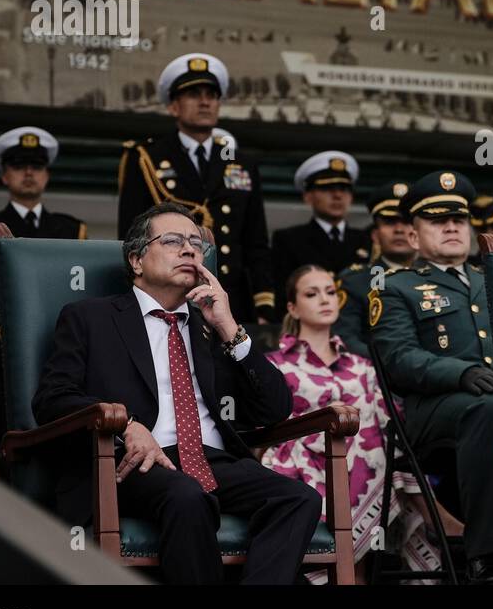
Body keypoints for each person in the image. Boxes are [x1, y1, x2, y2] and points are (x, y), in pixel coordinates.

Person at [33, 203, 319, 584]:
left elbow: (275, 409)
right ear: (136, 259)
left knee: (300, 498)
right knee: (186, 495)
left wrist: (230, 328)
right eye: (172, 241)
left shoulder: (211, 327)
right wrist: (125, 425)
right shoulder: (90, 317)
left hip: (212, 460)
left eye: (195, 244)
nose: (188, 250)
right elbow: (51, 399)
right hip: (128, 464)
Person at [262, 264, 450, 584]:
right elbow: (269, 425)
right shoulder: (275, 364)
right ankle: (439, 520)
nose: (324, 299)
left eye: (330, 292)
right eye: (312, 293)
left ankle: (359, 566)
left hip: (367, 460)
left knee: (378, 436)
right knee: (369, 449)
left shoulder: (362, 364)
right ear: (292, 307)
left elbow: (391, 419)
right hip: (301, 462)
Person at [369, 171, 493, 583]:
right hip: (432, 409)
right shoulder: (397, 288)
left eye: (459, 219)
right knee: (484, 411)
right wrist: (461, 372)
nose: (451, 226)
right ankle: (487, 558)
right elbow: (398, 359)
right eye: (436, 220)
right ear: (413, 237)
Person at [117, 54, 276, 323]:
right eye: (193, 94)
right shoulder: (146, 157)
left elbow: (255, 242)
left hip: (231, 298)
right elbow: (129, 236)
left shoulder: (239, 161)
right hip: (168, 297)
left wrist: (264, 303)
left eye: (211, 95)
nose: (205, 101)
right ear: (173, 106)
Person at [0, 126, 85, 477]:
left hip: (61, 351)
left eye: (36, 165)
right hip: (2, 354)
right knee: (10, 440)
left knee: (66, 435)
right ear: (5, 175)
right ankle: (9, 524)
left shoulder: (70, 229)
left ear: (47, 174)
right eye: (19, 165)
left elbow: (77, 291)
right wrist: (15, 337)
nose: (29, 173)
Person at [271, 150, 372, 309]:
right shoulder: (288, 239)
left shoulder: (368, 240)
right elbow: (283, 294)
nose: (338, 195)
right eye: (327, 188)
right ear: (308, 196)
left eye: (344, 188)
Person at [332, 181, 416, 357]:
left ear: (419, 232)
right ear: (375, 235)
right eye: (390, 222)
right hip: (378, 376)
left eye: (407, 221)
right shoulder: (355, 281)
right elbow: (345, 338)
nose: (399, 229)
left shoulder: (437, 276)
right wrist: (390, 364)